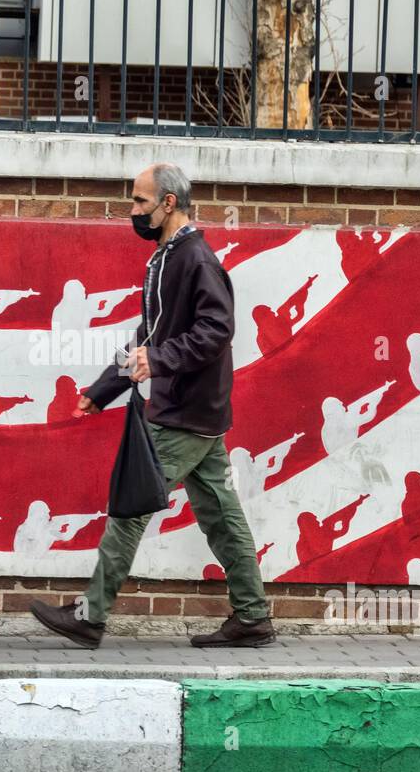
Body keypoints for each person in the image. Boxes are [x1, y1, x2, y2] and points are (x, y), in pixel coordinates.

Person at [28, 162, 274, 649]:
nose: (133, 211)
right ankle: (253, 617)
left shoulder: (196, 260)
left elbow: (215, 332)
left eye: (140, 202)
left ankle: (90, 616)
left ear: (168, 203)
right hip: (198, 414)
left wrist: (158, 361)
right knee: (223, 519)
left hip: (185, 414)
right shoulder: (166, 258)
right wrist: (103, 390)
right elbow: (149, 338)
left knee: (129, 508)